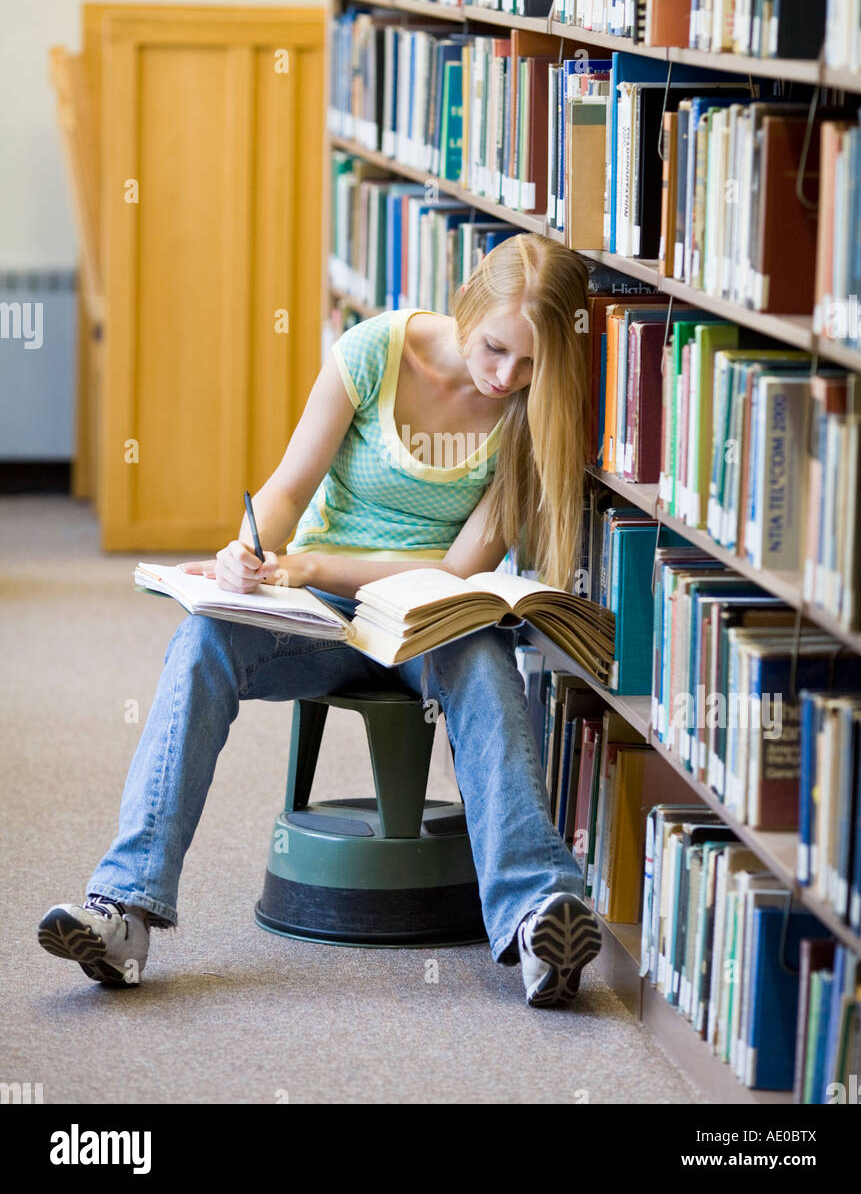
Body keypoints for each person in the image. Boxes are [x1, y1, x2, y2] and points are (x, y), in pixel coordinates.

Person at [38, 232, 602, 1007]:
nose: (507, 377)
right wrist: (249, 550)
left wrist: (313, 565)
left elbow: (459, 571)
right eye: (498, 349)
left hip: (425, 619)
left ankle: (539, 915)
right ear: (469, 305)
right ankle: (124, 907)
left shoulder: (534, 414)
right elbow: (288, 490)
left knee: (484, 660)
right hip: (317, 619)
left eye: (532, 363)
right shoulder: (374, 353)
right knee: (203, 640)